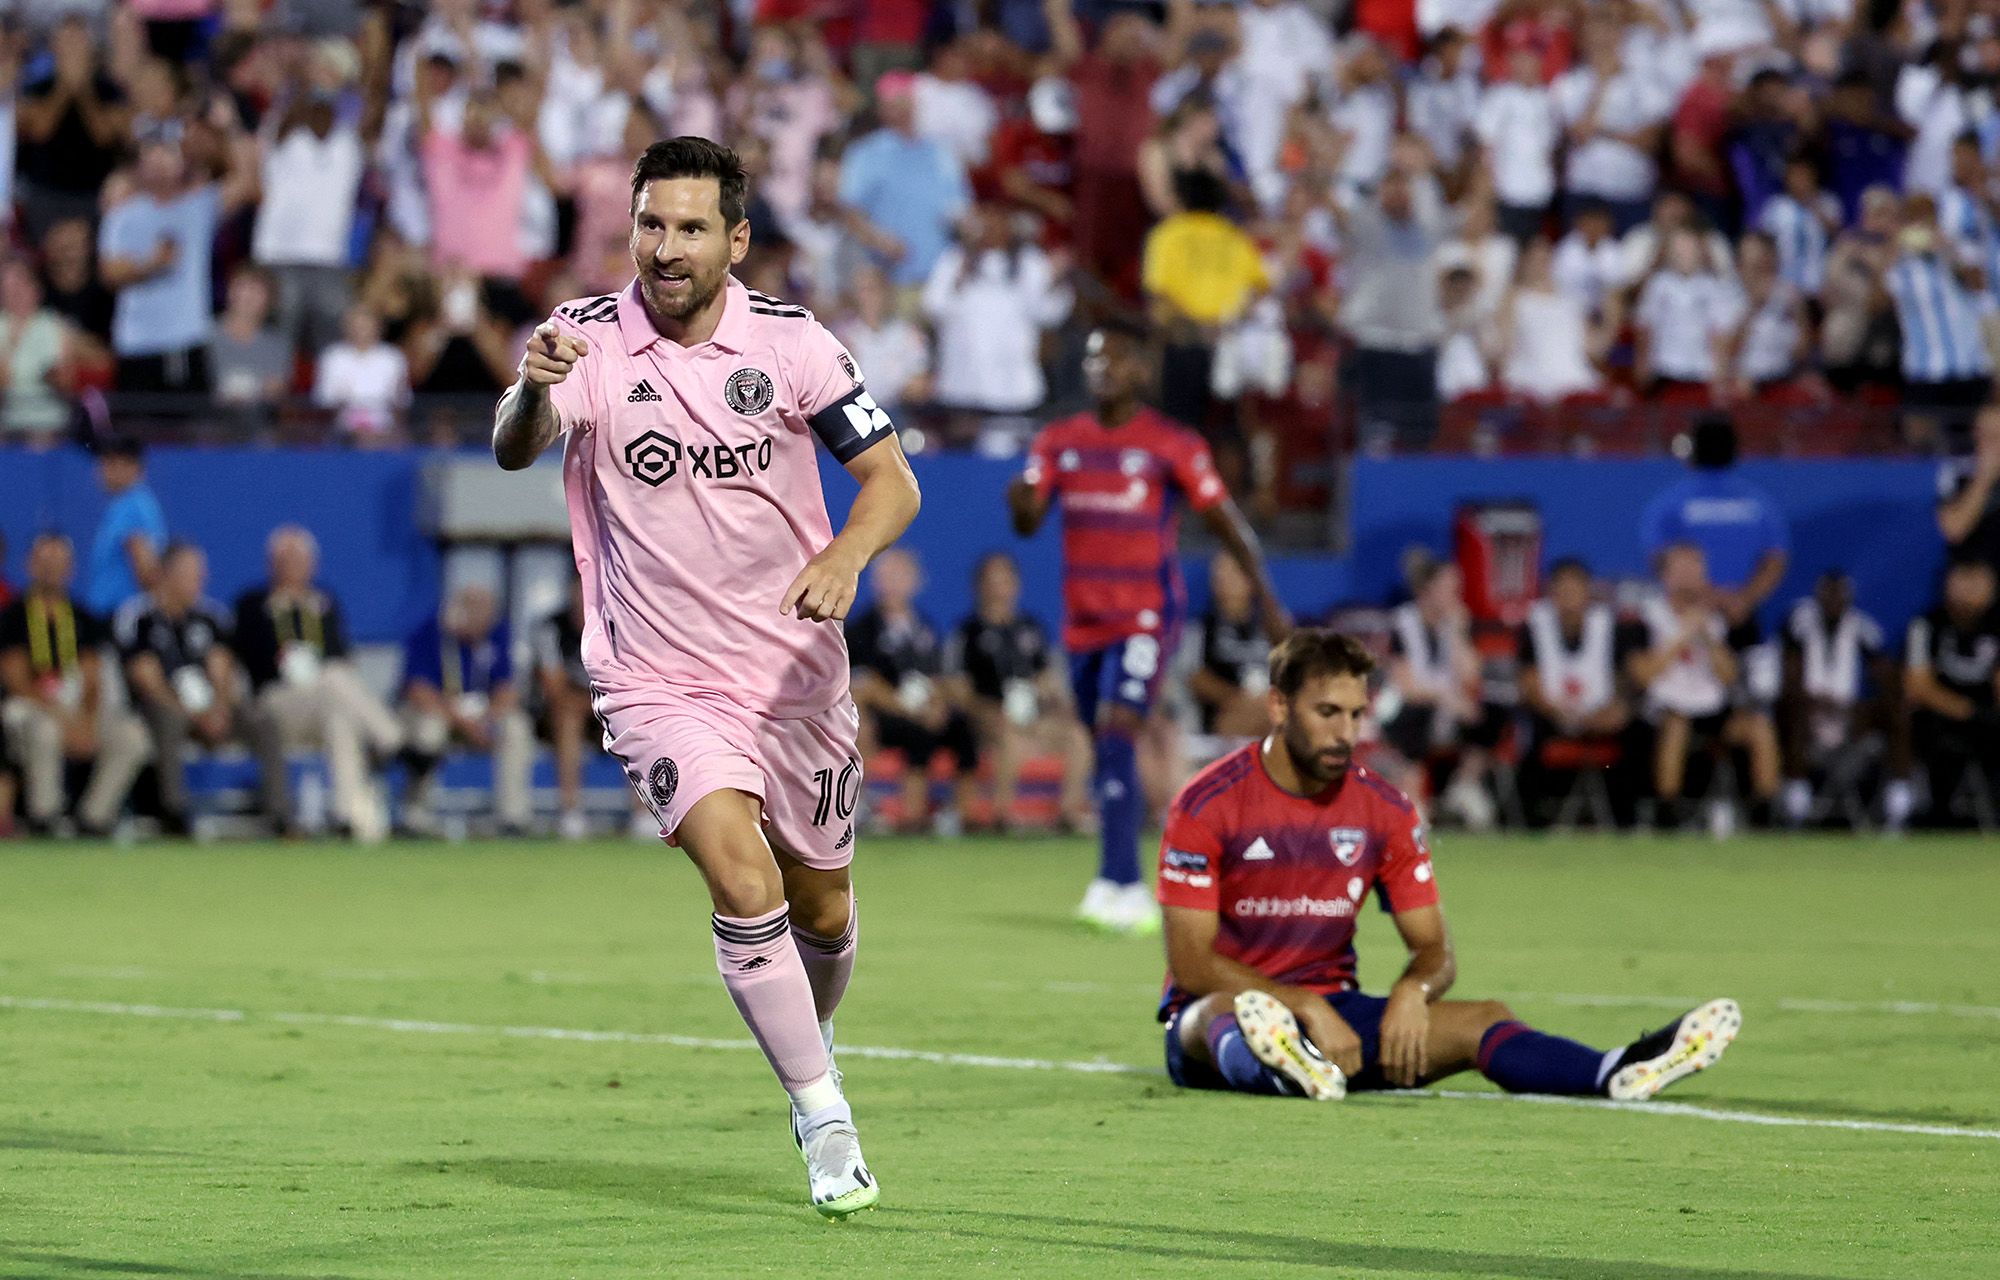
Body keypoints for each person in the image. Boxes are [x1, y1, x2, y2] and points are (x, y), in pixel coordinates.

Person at [492, 137, 921, 1218]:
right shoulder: (583, 337)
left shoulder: (793, 344)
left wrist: (841, 555)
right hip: (655, 678)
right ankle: (825, 1120)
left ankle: (804, 1040)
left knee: (821, 901)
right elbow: (517, 443)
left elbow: (890, 481)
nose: (664, 248)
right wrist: (526, 395)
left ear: (735, 238)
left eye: (689, 228)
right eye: (649, 225)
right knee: (744, 881)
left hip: (790, 677)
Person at [1156, 628, 1740, 1103]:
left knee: (1481, 1018)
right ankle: (1284, 1067)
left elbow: (1435, 949)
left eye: (1357, 715)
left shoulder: (1384, 810)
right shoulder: (1207, 804)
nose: (1345, 734)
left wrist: (1415, 988)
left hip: (1336, 1015)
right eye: (1327, 712)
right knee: (1221, 1014)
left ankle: (1614, 1071)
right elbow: (1191, 965)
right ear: (1279, 706)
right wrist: (1300, 1005)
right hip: (1219, 1017)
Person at [1009, 315, 1287, 934]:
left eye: (1114, 360)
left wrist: (1267, 599)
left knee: (1116, 732)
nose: (1101, 371)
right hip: (1082, 623)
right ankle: (1111, 882)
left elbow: (1223, 521)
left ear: (1139, 371)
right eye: (1094, 362)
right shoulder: (1059, 440)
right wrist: (1020, 500)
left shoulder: (1172, 443)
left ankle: (1127, 883)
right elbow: (1028, 521)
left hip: (1145, 617)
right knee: (1102, 741)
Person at [233, 525, 403, 840]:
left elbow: (341, 653)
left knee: (340, 715)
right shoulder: (254, 603)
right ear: (272, 563)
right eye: (287, 559)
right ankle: (393, 742)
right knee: (334, 679)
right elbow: (251, 658)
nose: (295, 567)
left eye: (301, 560)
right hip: (278, 702)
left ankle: (347, 816)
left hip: (323, 700)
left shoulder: (324, 603)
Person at [0, 533, 149, 836]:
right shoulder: (14, 616)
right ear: (30, 565)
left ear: (71, 568)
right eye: (45, 562)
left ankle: (94, 817)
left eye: (59, 563)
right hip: (29, 704)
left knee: (133, 737)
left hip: (74, 705)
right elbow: (16, 679)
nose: (52, 569)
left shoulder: (82, 617)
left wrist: (87, 721)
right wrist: (63, 720)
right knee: (45, 730)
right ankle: (45, 815)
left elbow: (92, 676)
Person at [1627, 543, 1780, 828]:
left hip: (1712, 708)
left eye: (1695, 568)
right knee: (1677, 724)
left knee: (1758, 727)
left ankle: (1765, 816)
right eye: (1681, 569)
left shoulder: (1724, 616)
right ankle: (1667, 814)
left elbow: (1730, 677)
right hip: (1661, 710)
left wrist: (1708, 637)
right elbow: (1643, 675)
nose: (1688, 576)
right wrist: (1682, 635)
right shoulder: (1645, 618)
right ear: (1665, 576)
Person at [941, 551, 1089, 832]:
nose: (999, 587)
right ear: (979, 586)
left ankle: (1069, 812)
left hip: (1032, 715)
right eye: (992, 580)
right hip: (990, 717)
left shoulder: (1030, 628)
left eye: (1005, 579)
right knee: (1008, 736)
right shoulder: (967, 632)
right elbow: (956, 688)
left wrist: (1048, 696)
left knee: (1077, 736)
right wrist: (986, 710)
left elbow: (1046, 675)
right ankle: (1002, 815)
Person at [846, 548, 978, 834]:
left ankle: (961, 815)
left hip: (923, 711)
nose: (893, 583)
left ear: (916, 581)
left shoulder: (924, 627)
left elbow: (938, 675)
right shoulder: (861, 629)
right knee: (915, 735)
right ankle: (910, 818)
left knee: (963, 730)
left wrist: (937, 704)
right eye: (887, 576)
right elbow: (862, 681)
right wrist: (906, 708)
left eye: (901, 576)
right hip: (885, 714)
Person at [113, 541, 240, 837]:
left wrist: (218, 708)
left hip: (208, 709)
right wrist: (194, 714)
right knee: (168, 718)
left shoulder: (211, 617)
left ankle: (279, 812)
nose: (201, 580)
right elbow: (148, 681)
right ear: (165, 574)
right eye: (191, 573)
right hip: (162, 708)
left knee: (259, 719)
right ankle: (174, 811)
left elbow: (222, 671)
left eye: (200, 573)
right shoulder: (139, 617)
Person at [398, 583, 533, 836]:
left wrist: (488, 717)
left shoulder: (498, 634)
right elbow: (418, 690)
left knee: (515, 726)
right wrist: (462, 722)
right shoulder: (430, 634)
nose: (482, 617)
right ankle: (415, 815)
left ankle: (512, 817)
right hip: (443, 715)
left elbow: (508, 689)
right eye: (474, 610)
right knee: (428, 730)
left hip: (482, 717)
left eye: (486, 611)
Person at [1778, 571, 1909, 831]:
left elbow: (1886, 676)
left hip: (1850, 715)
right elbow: (1788, 676)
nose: (1833, 602)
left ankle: (1898, 797)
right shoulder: (1799, 624)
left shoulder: (1862, 628)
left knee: (1897, 713)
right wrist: (1813, 700)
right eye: (1828, 594)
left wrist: (1853, 707)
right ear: (1817, 595)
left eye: (1839, 595)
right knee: (1791, 710)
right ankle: (1797, 797)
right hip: (1808, 714)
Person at [1517, 558, 1637, 823]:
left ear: (1588, 592)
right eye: (1563, 590)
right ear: (1552, 593)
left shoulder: (1609, 626)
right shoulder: (1535, 624)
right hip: (1551, 714)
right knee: (1528, 734)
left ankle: (1629, 820)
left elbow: (1622, 682)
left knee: (1635, 732)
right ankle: (1532, 819)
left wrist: (1608, 713)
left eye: (1576, 589)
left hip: (1599, 715)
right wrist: (1559, 712)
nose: (1570, 597)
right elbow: (1529, 682)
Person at [1382, 560, 1499, 830]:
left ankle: (1464, 787)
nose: (1453, 595)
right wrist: (1446, 699)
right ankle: (1413, 799)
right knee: (1419, 714)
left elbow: (1471, 675)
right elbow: (1407, 687)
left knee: (1492, 713)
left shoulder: (1455, 624)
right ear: (1426, 589)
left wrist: (1458, 631)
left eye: (1456, 589)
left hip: (1447, 711)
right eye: (1447, 587)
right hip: (1402, 711)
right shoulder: (1403, 622)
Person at [1904, 559, 2000, 827]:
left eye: (1977, 580)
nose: (1969, 589)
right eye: (1962, 580)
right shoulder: (1927, 625)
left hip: (1987, 716)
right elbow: (1918, 686)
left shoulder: (1995, 625)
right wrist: (1968, 711)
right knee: (1932, 732)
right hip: (1940, 716)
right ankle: (1936, 814)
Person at [1190, 551, 1273, 739]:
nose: (1224, 579)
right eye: (1219, 574)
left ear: (1252, 578)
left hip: (1269, 710)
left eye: (1232, 572)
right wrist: (1236, 699)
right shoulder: (1202, 628)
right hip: (1226, 717)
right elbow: (1195, 677)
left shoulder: (1272, 625)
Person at [84, 438, 168, 618]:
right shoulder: (126, 504)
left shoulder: (133, 506)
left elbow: (146, 568)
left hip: (119, 615)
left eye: (110, 462)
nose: (101, 470)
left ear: (132, 466)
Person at [1936, 404, 2000, 574]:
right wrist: (1983, 479)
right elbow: (1954, 529)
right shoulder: (1956, 473)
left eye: (1997, 437)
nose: (1992, 446)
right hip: (1967, 574)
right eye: (1986, 436)